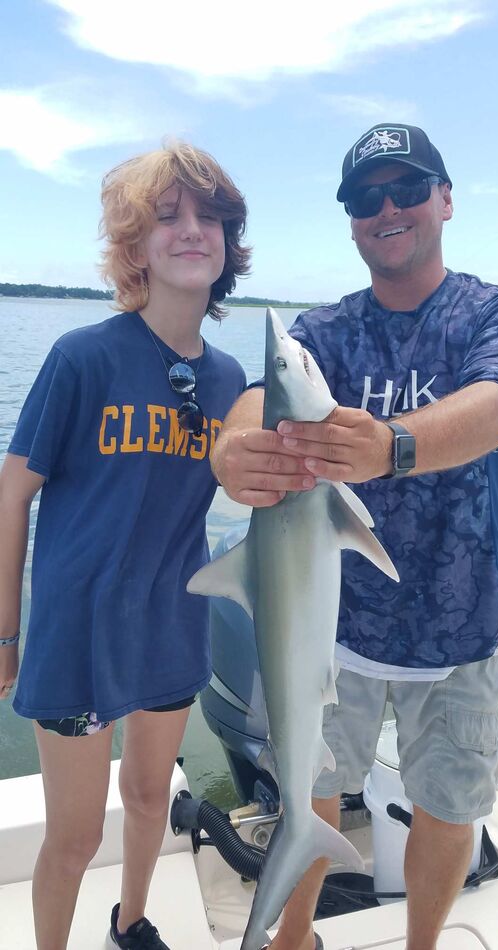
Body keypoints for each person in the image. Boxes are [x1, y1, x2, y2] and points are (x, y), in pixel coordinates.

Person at [210, 123, 498, 950]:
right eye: (365, 197)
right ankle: (291, 941)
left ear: (447, 199)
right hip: (338, 630)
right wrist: (233, 447)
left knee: (450, 806)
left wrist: (392, 447)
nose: (387, 208)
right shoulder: (323, 333)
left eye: (408, 188)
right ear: (351, 220)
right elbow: (261, 394)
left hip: (461, 628)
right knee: (310, 787)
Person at [0, 140, 250, 950]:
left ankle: (133, 920)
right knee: (72, 837)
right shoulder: (84, 357)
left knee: (150, 798)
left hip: (173, 625)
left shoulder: (229, 382)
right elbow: (12, 494)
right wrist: (6, 636)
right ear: (133, 245)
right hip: (76, 635)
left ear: (228, 242)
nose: (192, 231)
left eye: (209, 216)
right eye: (167, 216)